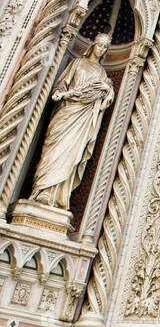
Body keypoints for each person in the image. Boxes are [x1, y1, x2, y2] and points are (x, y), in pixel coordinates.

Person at [30, 33, 114, 211]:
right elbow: (62, 84)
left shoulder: (102, 73)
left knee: (71, 156)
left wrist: (107, 91)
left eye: (105, 47)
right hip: (67, 113)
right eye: (100, 45)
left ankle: (58, 197)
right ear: (92, 45)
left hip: (83, 119)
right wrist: (60, 93)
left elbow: (104, 100)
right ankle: (42, 191)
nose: (102, 49)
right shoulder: (77, 63)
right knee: (54, 151)